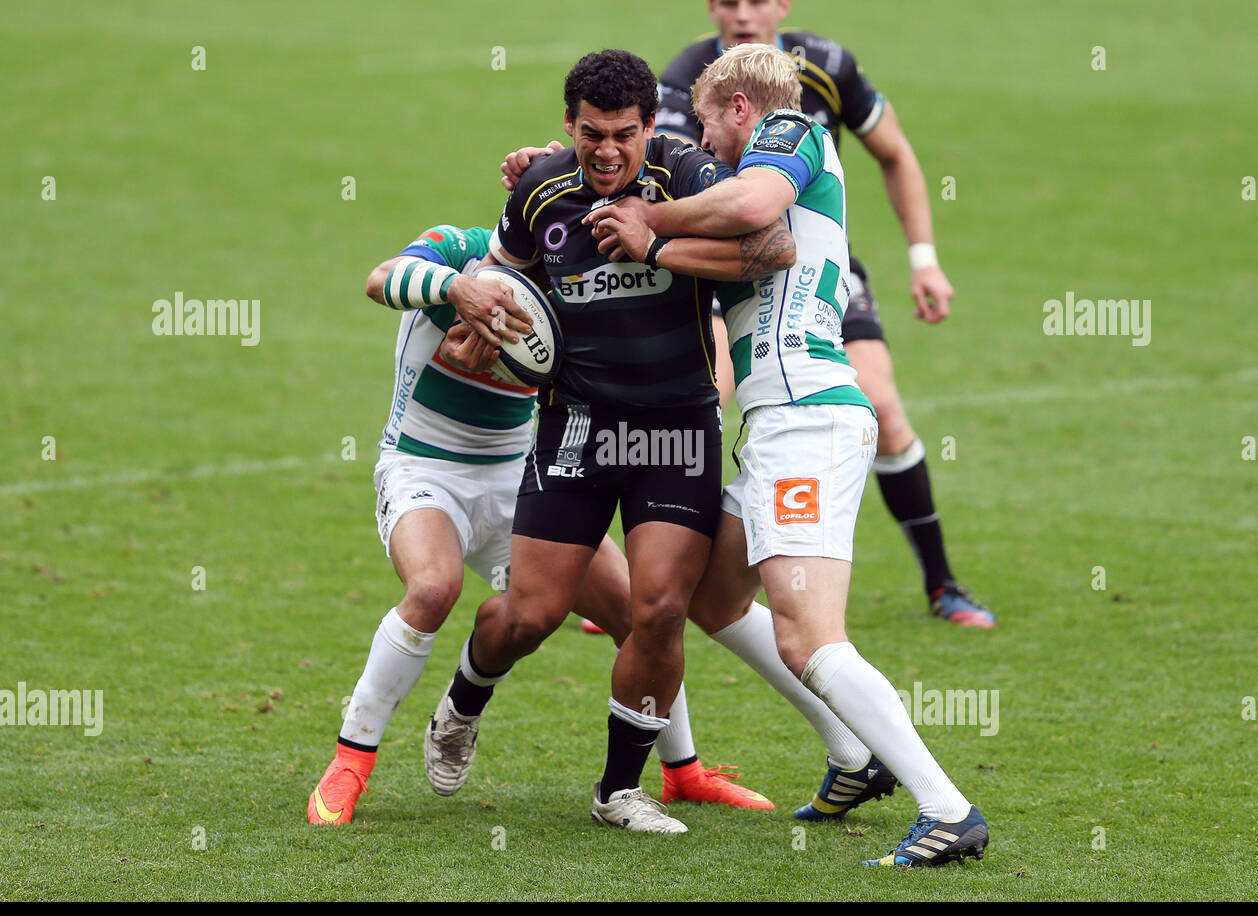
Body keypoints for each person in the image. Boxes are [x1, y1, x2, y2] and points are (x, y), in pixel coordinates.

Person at [585, 43, 988, 867]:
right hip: (778, 428)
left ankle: (948, 807)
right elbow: (737, 239)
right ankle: (852, 756)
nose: (702, 139)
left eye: (705, 121)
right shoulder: (750, 194)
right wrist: (642, 233)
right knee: (710, 594)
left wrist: (652, 224)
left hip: (809, 420)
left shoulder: (791, 131)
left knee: (812, 638)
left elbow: (750, 206)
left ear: (739, 107)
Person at [437, 49, 797, 834]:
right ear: (567, 127)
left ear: (650, 127)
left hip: (677, 426)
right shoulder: (540, 189)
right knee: (529, 615)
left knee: (660, 608)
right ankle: (465, 697)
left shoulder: (688, 175)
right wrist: (479, 325)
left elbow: (773, 247)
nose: (609, 152)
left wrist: (654, 244)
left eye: (625, 136)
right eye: (593, 135)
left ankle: (617, 790)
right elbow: (504, 276)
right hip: (577, 424)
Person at [307, 218, 771, 824]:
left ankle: (682, 773)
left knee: (642, 615)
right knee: (431, 587)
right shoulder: (461, 249)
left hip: (518, 475)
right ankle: (350, 763)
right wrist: (456, 292)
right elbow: (380, 279)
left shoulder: (573, 281)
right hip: (423, 468)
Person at [657, 0, 995, 629]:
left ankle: (943, 584)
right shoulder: (688, 74)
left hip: (819, 266)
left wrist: (924, 259)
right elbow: (674, 176)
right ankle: (661, 578)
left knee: (885, 409)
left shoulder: (827, 66)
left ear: (781, 5)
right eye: (728, 2)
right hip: (725, 260)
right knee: (704, 401)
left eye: (756, 0)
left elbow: (895, 153)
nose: (743, 13)